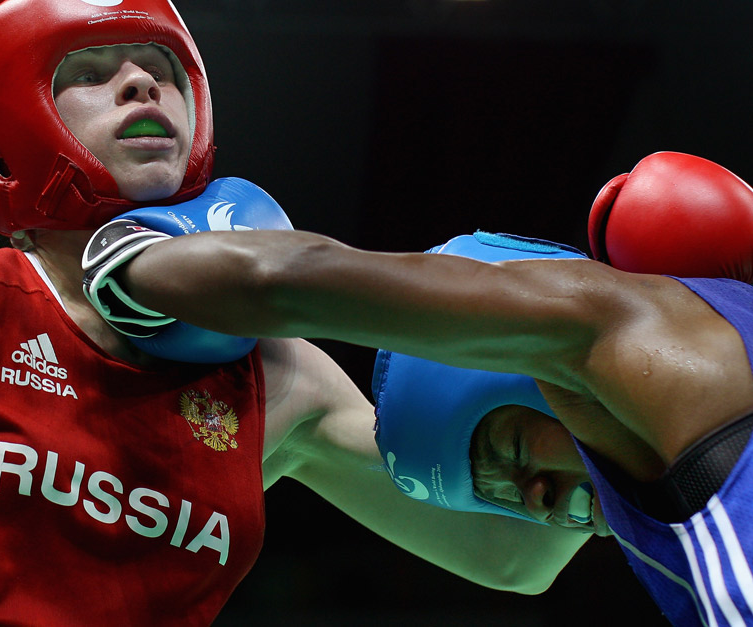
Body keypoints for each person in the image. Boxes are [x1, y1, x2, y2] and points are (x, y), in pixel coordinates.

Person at [0, 0, 588, 624]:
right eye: (90, 71)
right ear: (9, 126)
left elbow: (510, 556)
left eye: (160, 70)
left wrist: (603, 410)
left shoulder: (276, 372)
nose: (139, 84)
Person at [101, 150, 753, 626]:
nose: (539, 501)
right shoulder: (648, 486)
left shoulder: (614, 327)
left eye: (516, 452)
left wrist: (134, 260)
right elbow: (516, 562)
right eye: (505, 496)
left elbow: (285, 281)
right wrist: (307, 408)